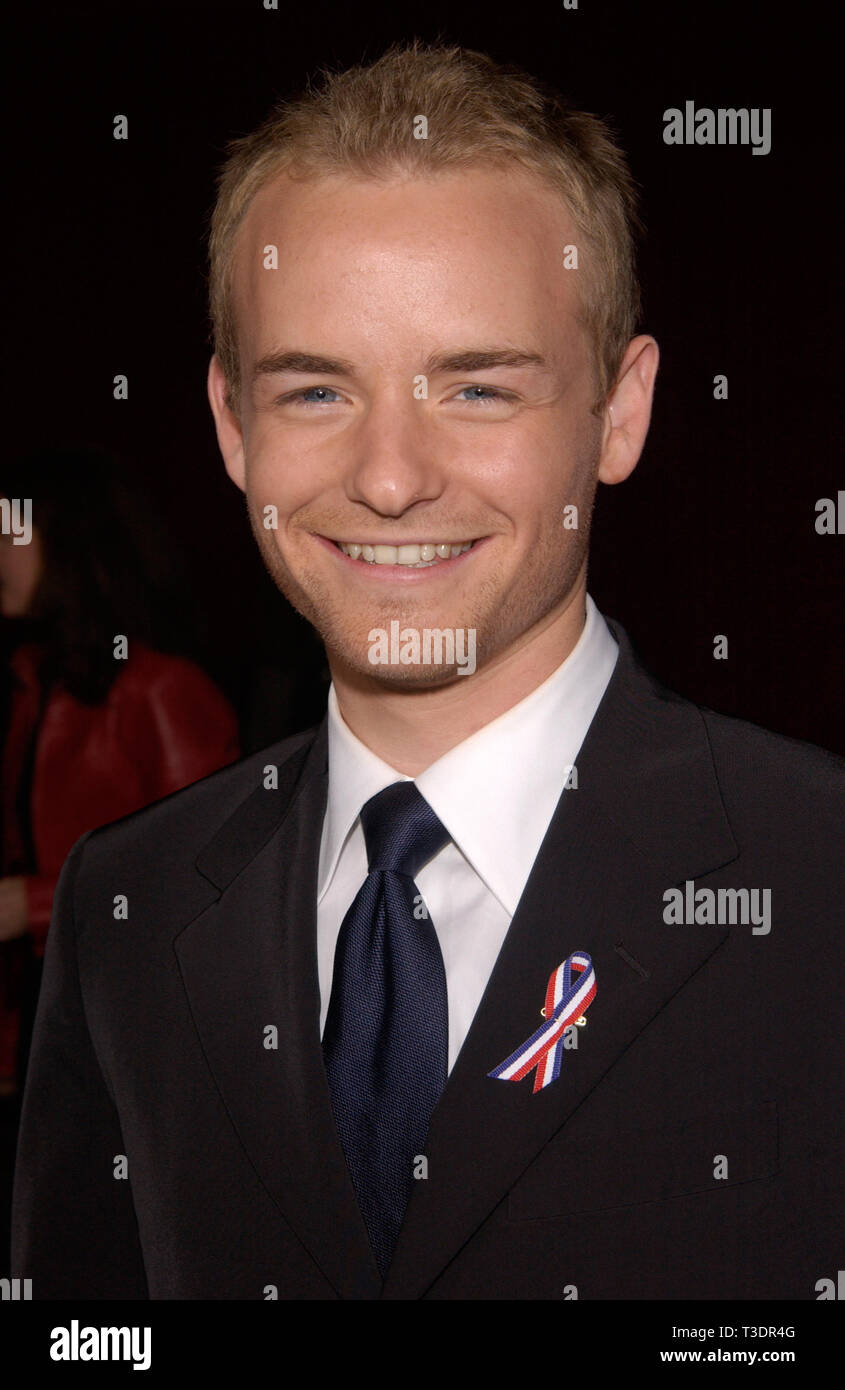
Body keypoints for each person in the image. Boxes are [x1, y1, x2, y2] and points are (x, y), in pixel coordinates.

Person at [11, 42, 844, 1300]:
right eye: (313, 392)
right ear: (233, 426)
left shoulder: (817, 876)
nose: (390, 477)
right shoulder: (127, 908)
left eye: (475, 387)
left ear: (619, 414)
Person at [0, 452, 241, 1103]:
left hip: (133, 1030)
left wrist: (34, 904)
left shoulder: (160, 688)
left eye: (11, 528)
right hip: (45, 1018)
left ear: (72, 543)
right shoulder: (31, 679)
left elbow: (210, 877)